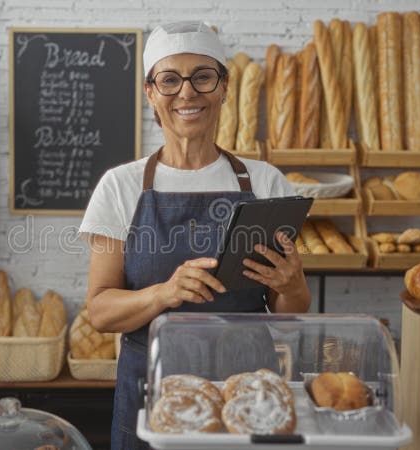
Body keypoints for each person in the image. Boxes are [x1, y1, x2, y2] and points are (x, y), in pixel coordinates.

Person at [78, 21, 311, 450]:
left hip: (247, 394)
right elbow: (100, 311)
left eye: (203, 77)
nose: (187, 93)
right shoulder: (120, 186)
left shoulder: (265, 182)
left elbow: (289, 313)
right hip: (153, 394)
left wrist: (292, 284)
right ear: (151, 92)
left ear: (224, 88)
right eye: (169, 80)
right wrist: (164, 294)